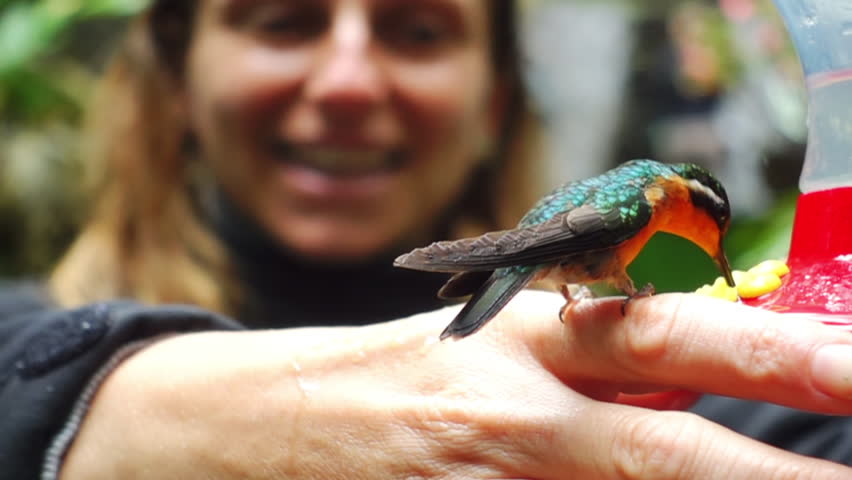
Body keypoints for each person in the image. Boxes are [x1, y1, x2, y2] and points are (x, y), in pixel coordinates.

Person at [2, 1, 852, 478]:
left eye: (417, 30)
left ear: (494, 101)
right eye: (283, 19)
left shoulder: (718, 404)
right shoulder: (25, 331)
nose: (347, 82)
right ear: (178, 81)